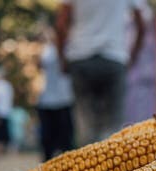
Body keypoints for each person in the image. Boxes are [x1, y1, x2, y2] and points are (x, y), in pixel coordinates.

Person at [55, 0, 146, 145]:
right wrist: (132, 57)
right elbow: (142, 24)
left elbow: (61, 25)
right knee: (113, 126)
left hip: (81, 57)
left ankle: (86, 164)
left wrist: (62, 58)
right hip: (114, 58)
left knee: (85, 125)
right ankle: (110, 164)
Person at [37, 29, 75, 161]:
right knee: (47, 139)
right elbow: (39, 65)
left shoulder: (70, 49)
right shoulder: (48, 50)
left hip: (65, 99)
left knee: (65, 140)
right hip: (48, 100)